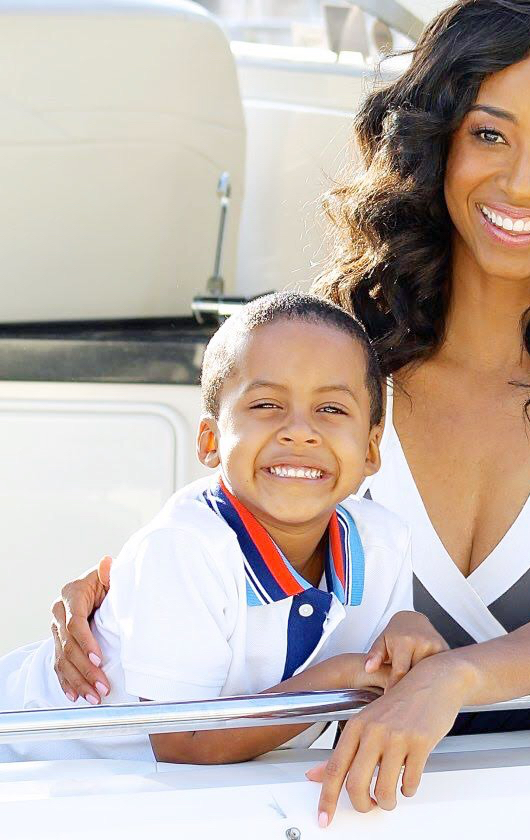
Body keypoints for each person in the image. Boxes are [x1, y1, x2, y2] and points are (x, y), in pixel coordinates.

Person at [48, 0, 530, 823]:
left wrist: (450, 678)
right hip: (348, 804)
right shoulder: (340, 338)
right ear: (439, 141)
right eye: (489, 134)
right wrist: (116, 599)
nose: (521, 181)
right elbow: (227, 524)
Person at [1, 292, 445, 764]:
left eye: (331, 409)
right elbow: (183, 742)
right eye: (267, 404)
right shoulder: (185, 547)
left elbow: (385, 676)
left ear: (372, 449)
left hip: (170, 787)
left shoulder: (383, 543)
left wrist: (405, 628)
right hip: (29, 762)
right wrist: (340, 677)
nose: (300, 431)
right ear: (210, 440)